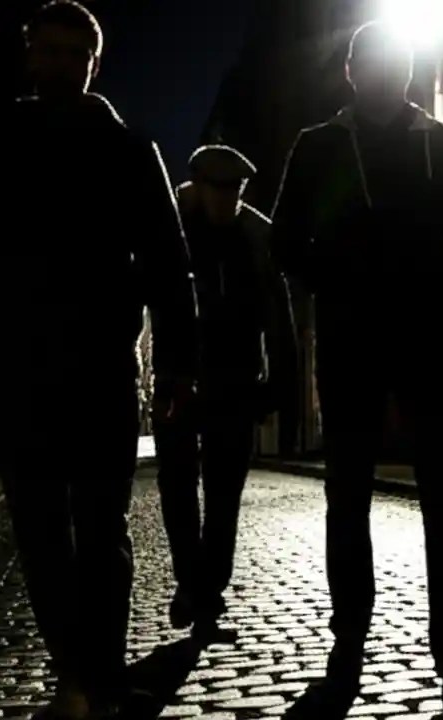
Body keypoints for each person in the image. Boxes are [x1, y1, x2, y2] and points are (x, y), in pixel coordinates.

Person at [0, 2, 198, 718]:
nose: (60, 65)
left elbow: (168, 265)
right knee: (41, 531)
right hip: (18, 368)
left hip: (102, 369)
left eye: (75, 54)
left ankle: (99, 676)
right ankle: (75, 672)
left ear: (93, 65)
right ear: (29, 53)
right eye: (48, 50)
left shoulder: (129, 150)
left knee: (103, 531)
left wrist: (175, 367)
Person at [270, 21, 443, 720]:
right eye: (375, 64)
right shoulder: (318, 146)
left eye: (399, 64)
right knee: (347, 502)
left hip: (428, 342)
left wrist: (431, 286)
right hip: (350, 345)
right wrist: (340, 285)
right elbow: (286, 240)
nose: (389, 75)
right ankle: (345, 660)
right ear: (352, 72)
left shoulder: (442, 144)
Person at [155, 144, 298, 645]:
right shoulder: (170, 228)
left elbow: (280, 318)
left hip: (235, 383)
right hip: (177, 379)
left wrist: (278, 386)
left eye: (235, 191)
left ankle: (208, 593)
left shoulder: (258, 235)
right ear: (198, 186)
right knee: (177, 488)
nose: (227, 200)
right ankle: (190, 584)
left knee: (224, 495)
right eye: (219, 190)